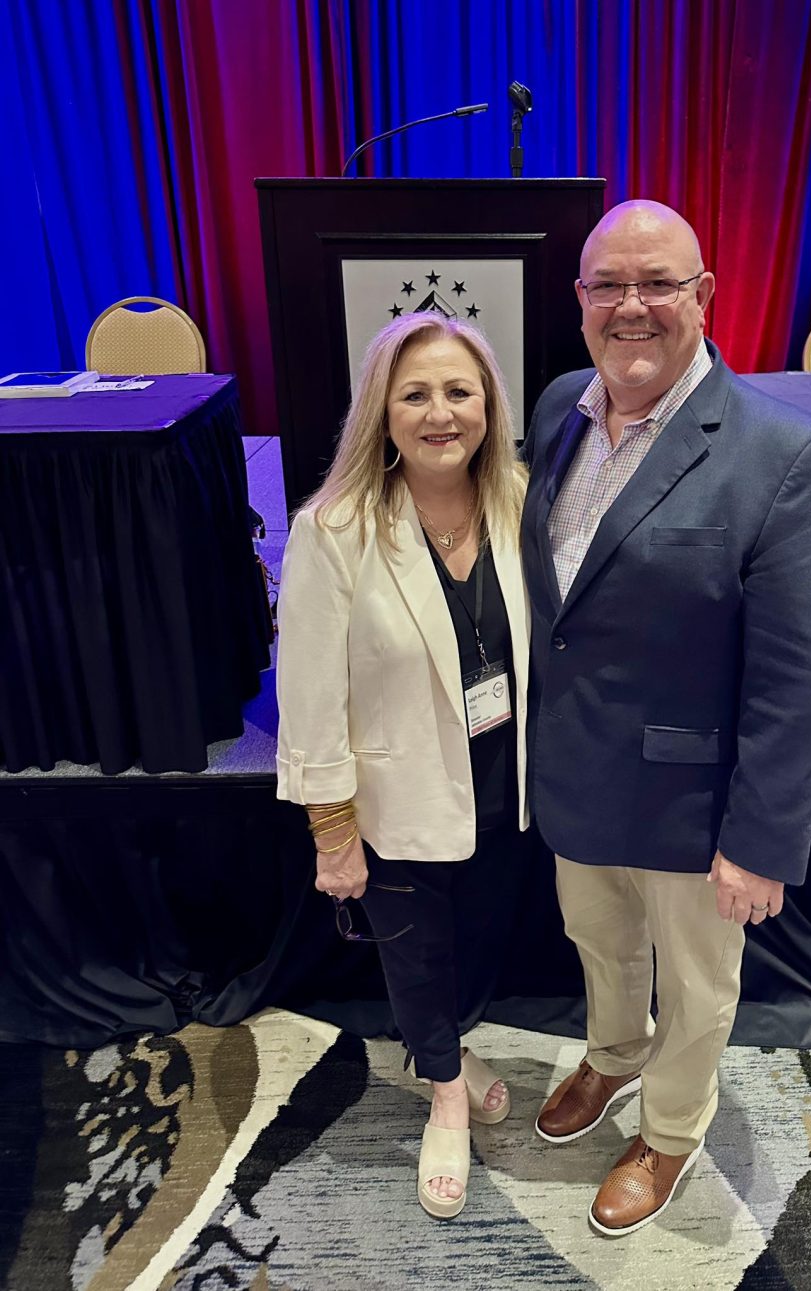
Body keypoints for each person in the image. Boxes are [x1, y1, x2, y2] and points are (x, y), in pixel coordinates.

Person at [520, 200, 811, 1236]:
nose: (631, 306)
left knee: (698, 987)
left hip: (694, 801)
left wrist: (760, 839)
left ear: (704, 296)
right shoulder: (559, 405)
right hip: (576, 771)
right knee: (598, 942)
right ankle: (615, 1055)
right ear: (580, 298)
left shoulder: (785, 453)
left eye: (658, 283)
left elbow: (808, 674)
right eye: (608, 285)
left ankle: (669, 1129)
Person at [275, 311, 530, 1221]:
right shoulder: (333, 528)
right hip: (394, 799)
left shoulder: (521, 502)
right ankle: (446, 1098)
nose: (440, 413)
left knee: (480, 946)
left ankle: (446, 1048)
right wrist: (332, 830)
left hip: (505, 785)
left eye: (459, 391)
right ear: (381, 414)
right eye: (414, 394)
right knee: (418, 958)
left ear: (489, 405)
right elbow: (308, 696)